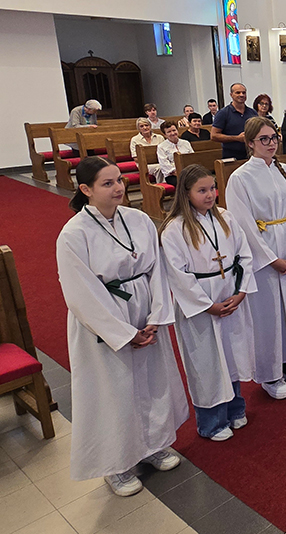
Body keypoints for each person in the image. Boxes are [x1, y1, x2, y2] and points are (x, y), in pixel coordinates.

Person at [56, 156, 188, 496]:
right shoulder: (74, 234)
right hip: (106, 318)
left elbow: (157, 269)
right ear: (85, 190)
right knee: (114, 390)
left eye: (119, 180)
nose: (119, 187)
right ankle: (117, 464)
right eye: (108, 183)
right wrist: (124, 333)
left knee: (150, 380)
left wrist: (157, 316)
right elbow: (80, 293)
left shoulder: (139, 219)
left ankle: (153, 445)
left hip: (144, 309)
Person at [160, 164, 256, 441]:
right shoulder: (174, 229)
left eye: (212, 188)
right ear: (186, 193)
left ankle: (236, 408)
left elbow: (244, 254)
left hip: (230, 295)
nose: (210, 194)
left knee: (232, 355)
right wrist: (208, 305)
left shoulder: (225, 217)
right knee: (207, 363)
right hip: (201, 305)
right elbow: (177, 275)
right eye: (202, 190)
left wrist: (241, 291)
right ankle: (211, 422)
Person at [226, 117, 286, 399]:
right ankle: (271, 374)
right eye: (263, 139)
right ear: (250, 143)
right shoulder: (240, 178)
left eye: (273, 137)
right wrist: (270, 258)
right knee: (268, 313)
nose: (271, 143)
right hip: (263, 253)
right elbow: (243, 225)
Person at [212, 83, 258, 160]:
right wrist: (237, 138)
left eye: (244, 93)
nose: (241, 95)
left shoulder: (252, 112)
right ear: (231, 95)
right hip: (231, 155)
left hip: (251, 154)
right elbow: (214, 136)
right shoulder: (223, 113)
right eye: (238, 92)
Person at [156, 121, 194, 187]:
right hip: (173, 175)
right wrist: (179, 173)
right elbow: (165, 165)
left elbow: (192, 158)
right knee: (186, 184)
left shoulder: (186, 143)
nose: (173, 133)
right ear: (165, 134)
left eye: (174, 130)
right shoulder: (161, 147)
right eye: (169, 132)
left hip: (189, 172)